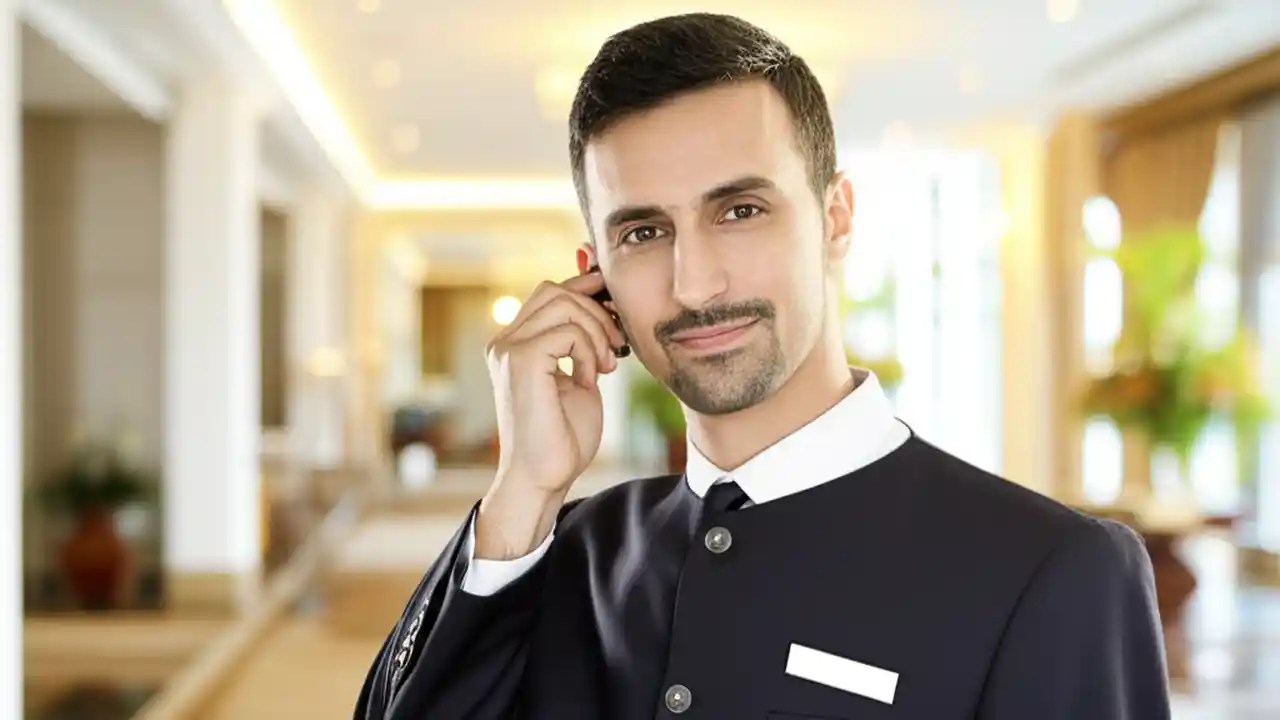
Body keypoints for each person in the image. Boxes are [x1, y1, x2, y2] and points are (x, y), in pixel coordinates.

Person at [354, 13, 1171, 719]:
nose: (695, 282)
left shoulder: (1052, 570)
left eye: (739, 210)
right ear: (592, 272)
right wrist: (520, 491)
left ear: (835, 216)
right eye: (643, 232)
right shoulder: (562, 548)